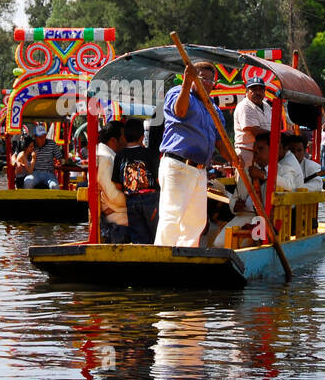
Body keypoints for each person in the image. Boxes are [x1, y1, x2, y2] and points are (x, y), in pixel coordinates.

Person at [155, 60, 218, 247]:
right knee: (172, 215)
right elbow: (180, 111)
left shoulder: (212, 106)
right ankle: (161, 259)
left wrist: (235, 159)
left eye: (210, 80)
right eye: (202, 78)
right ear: (190, 78)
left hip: (200, 169)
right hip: (178, 164)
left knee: (196, 221)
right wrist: (186, 82)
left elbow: (220, 137)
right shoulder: (178, 92)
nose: (207, 83)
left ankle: (186, 259)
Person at [112, 118, 160, 244]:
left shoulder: (120, 155)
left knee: (139, 238)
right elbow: (158, 179)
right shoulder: (150, 154)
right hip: (151, 199)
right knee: (157, 234)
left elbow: (117, 185)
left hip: (131, 200)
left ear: (125, 136)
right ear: (142, 137)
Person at [94, 119, 130, 243]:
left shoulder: (108, 157)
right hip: (118, 222)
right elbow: (115, 197)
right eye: (124, 137)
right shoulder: (106, 159)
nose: (127, 141)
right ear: (113, 141)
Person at [233, 76, 272, 169]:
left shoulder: (266, 106)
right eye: (253, 89)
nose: (258, 92)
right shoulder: (244, 106)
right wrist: (277, 135)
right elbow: (254, 130)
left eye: (261, 89)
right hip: (246, 152)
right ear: (246, 92)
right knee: (245, 182)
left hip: (263, 152)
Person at [23, 124, 64, 189]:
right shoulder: (32, 145)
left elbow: (60, 158)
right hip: (35, 172)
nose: (43, 139)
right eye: (40, 137)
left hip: (49, 173)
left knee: (55, 186)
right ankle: (27, 199)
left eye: (44, 136)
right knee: (28, 182)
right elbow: (22, 154)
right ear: (35, 137)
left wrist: (64, 162)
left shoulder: (52, 144)